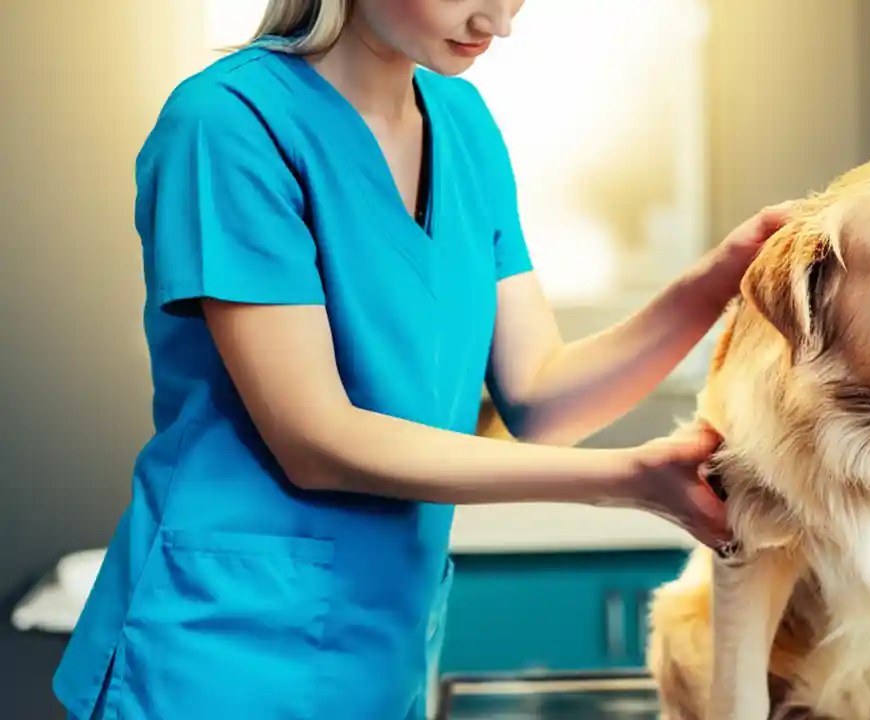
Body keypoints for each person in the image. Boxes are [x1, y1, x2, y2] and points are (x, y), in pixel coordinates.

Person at [51, 1, 793, 718]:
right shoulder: (228, 125)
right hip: (219, 656)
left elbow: (540, 400)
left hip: (382, 656)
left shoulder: (463, 128)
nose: (499, 20)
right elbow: (315, 440)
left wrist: (720, 279)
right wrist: (627, 479)